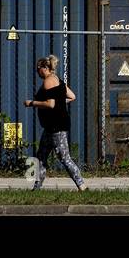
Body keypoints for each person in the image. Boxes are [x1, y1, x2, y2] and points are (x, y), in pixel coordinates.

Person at [24, 54, 87, 191]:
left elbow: (50, 104)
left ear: (45, 68)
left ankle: (82, 185)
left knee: (64, 158)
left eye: (38, 69)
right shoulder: (57, 79)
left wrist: (32, 103)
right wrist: (59, 103)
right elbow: (72, 97)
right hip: (50, 127)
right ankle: (37, 188)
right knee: (41, 156)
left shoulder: (48, 81)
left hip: (56, 126)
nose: (37, 72)